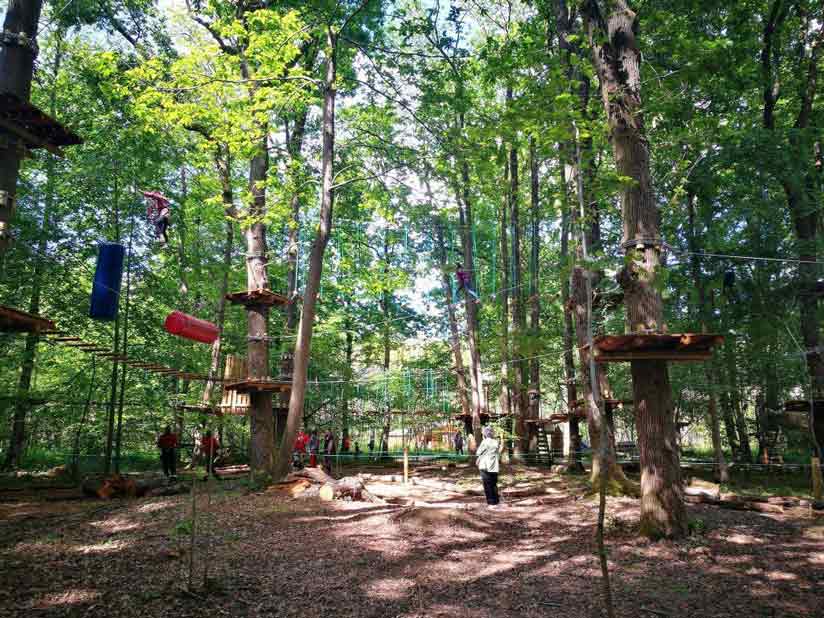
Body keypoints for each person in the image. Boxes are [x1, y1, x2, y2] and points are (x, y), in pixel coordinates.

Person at [476, 425, 502, 507]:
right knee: (493, 484)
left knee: (487, 484)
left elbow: (478, 452)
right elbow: (497, 452)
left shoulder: (484, 442)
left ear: (485, 434)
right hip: (494, 466)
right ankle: (496, 501)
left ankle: (491, 502)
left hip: (485, 465)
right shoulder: (496, 442)